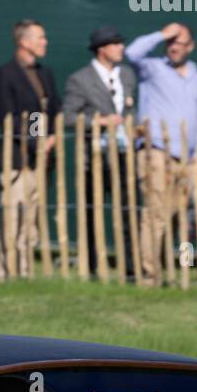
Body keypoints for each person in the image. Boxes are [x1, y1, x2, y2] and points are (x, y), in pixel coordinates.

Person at [125, 22, 197, 287]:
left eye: (180, 42)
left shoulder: (195, 75)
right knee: (156, 213)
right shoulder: (153, 68)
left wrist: (196, 152)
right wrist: (161, 33)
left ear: (191, 47)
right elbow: (132, 53)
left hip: (187, 156)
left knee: (182, 216)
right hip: (157, 151)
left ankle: (181, 268)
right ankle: (150, 275)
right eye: (171, 42)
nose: (174, 46)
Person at [62, 24, 136, 274]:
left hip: (123, 152)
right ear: (101, 49)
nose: (121, 48)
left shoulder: (126, 75)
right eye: (116, 44)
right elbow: (66, 117)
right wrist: (100, 122)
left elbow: (129, 110)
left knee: (128, 211)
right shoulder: (80, 80)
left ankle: (130, 265)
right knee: (92, 211)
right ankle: (92, 264)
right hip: (94, 155)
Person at [0, 20, 61, 279]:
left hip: (41, 160)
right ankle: (5, 271)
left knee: (32, 219)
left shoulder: (45, 73)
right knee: (13, 217)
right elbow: (9, 116)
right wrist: (36, 141)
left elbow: (51, 108)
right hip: (18, 160)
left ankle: (25, 269)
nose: (45, 42)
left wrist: (51, 135)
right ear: (25, 42)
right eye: (41, 38)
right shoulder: (6, 74)